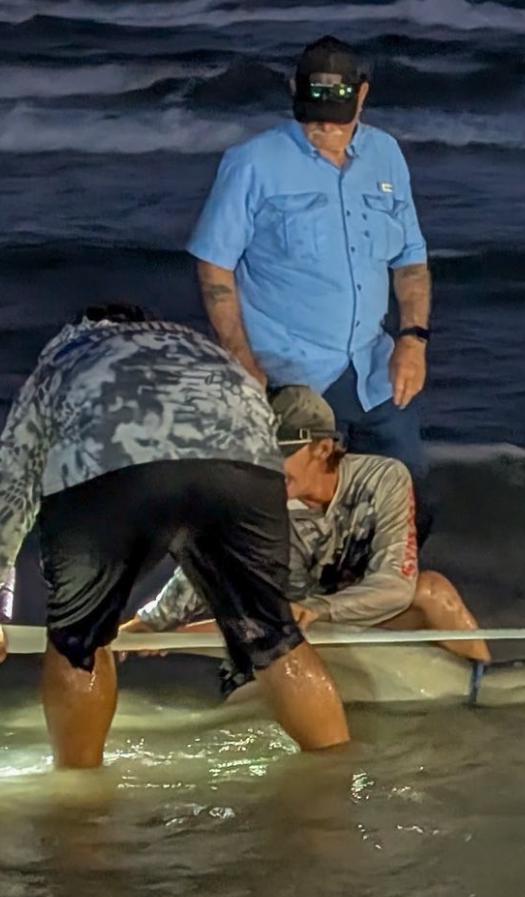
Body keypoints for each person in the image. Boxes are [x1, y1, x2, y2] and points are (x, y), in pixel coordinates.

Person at [0, 306, 349, 768]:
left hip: (113, 467)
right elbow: (211, 544)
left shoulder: (66, 356)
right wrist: (160, 616)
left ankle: (78, 798)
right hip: (245, 468)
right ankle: (340, 773)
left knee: (79, 641)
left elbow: (12, 488)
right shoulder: (202, 352)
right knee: (271, 633)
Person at [187, 35, 435, 533]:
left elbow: (410, 258)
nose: (324, 126)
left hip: (373, 368)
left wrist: (413, 340)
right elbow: (215, 265)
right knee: (291, 515)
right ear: (292, 91)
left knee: (407, 499)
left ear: (362, 96)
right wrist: (242, 359)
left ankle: (380, 601)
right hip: (290, 373)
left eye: (339, 115)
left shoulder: (385, 155)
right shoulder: (252, 163)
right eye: (313, 113)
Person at [122, 387, 490, 669]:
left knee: (433, 591)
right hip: (282, 634)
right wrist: (149, 624)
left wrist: (318, 608)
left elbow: (396, 584)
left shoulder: (383, 478)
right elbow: (202, 568)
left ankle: (483, 681)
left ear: (323, 448)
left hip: (355, 617)